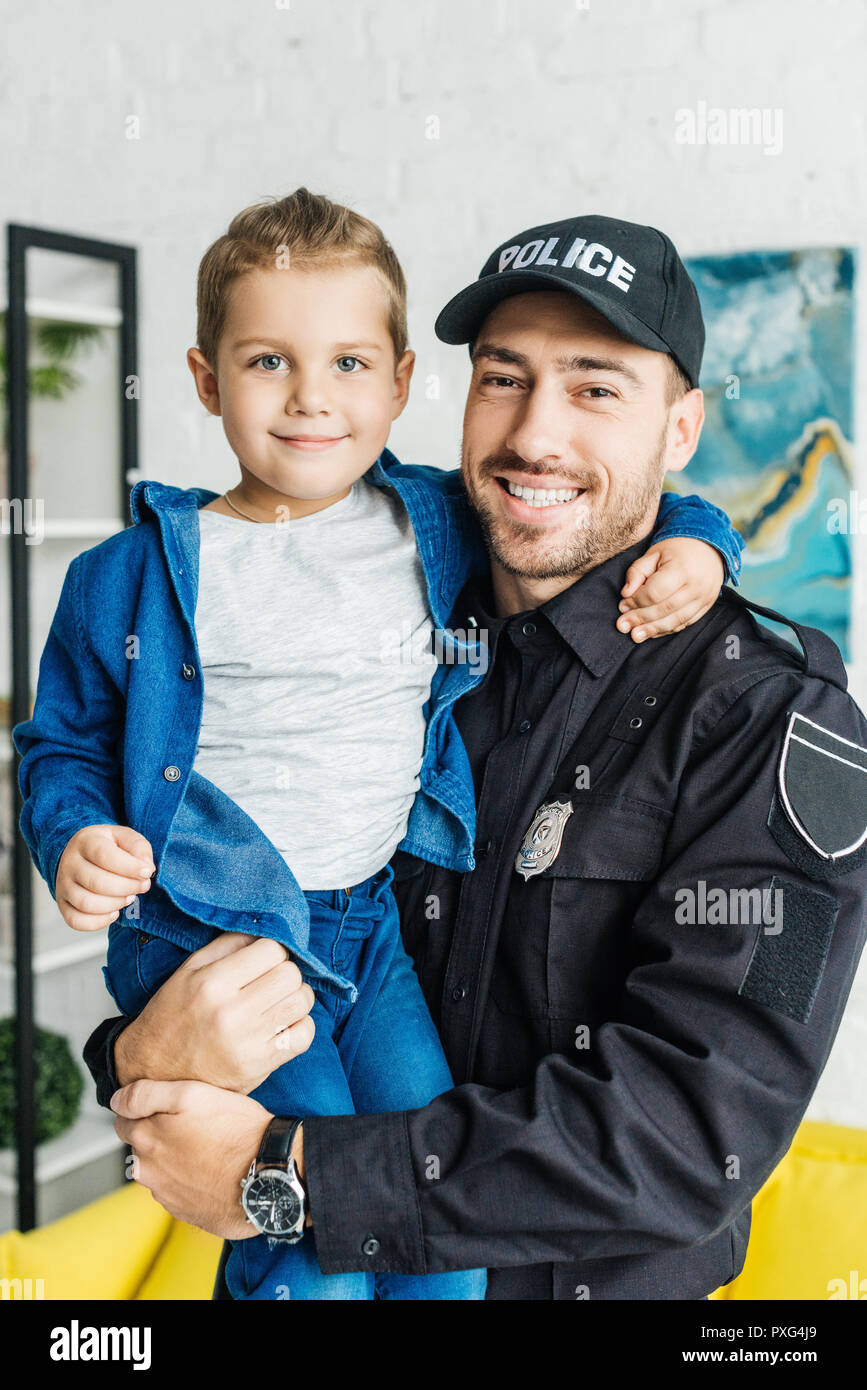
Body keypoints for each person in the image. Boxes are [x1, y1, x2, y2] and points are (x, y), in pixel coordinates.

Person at [12, 197, 742, 1302]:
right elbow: (59, 744)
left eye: (349, 362)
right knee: (308, 1263)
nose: (312, 397)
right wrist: (71, 837)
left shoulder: (429, 525)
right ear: (206, 380)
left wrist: (702, 542)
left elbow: (635, 506)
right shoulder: (135, 572)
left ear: (398, 384)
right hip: (221, 931)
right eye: (269, 362)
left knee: (438, 1257)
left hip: (369, 936)